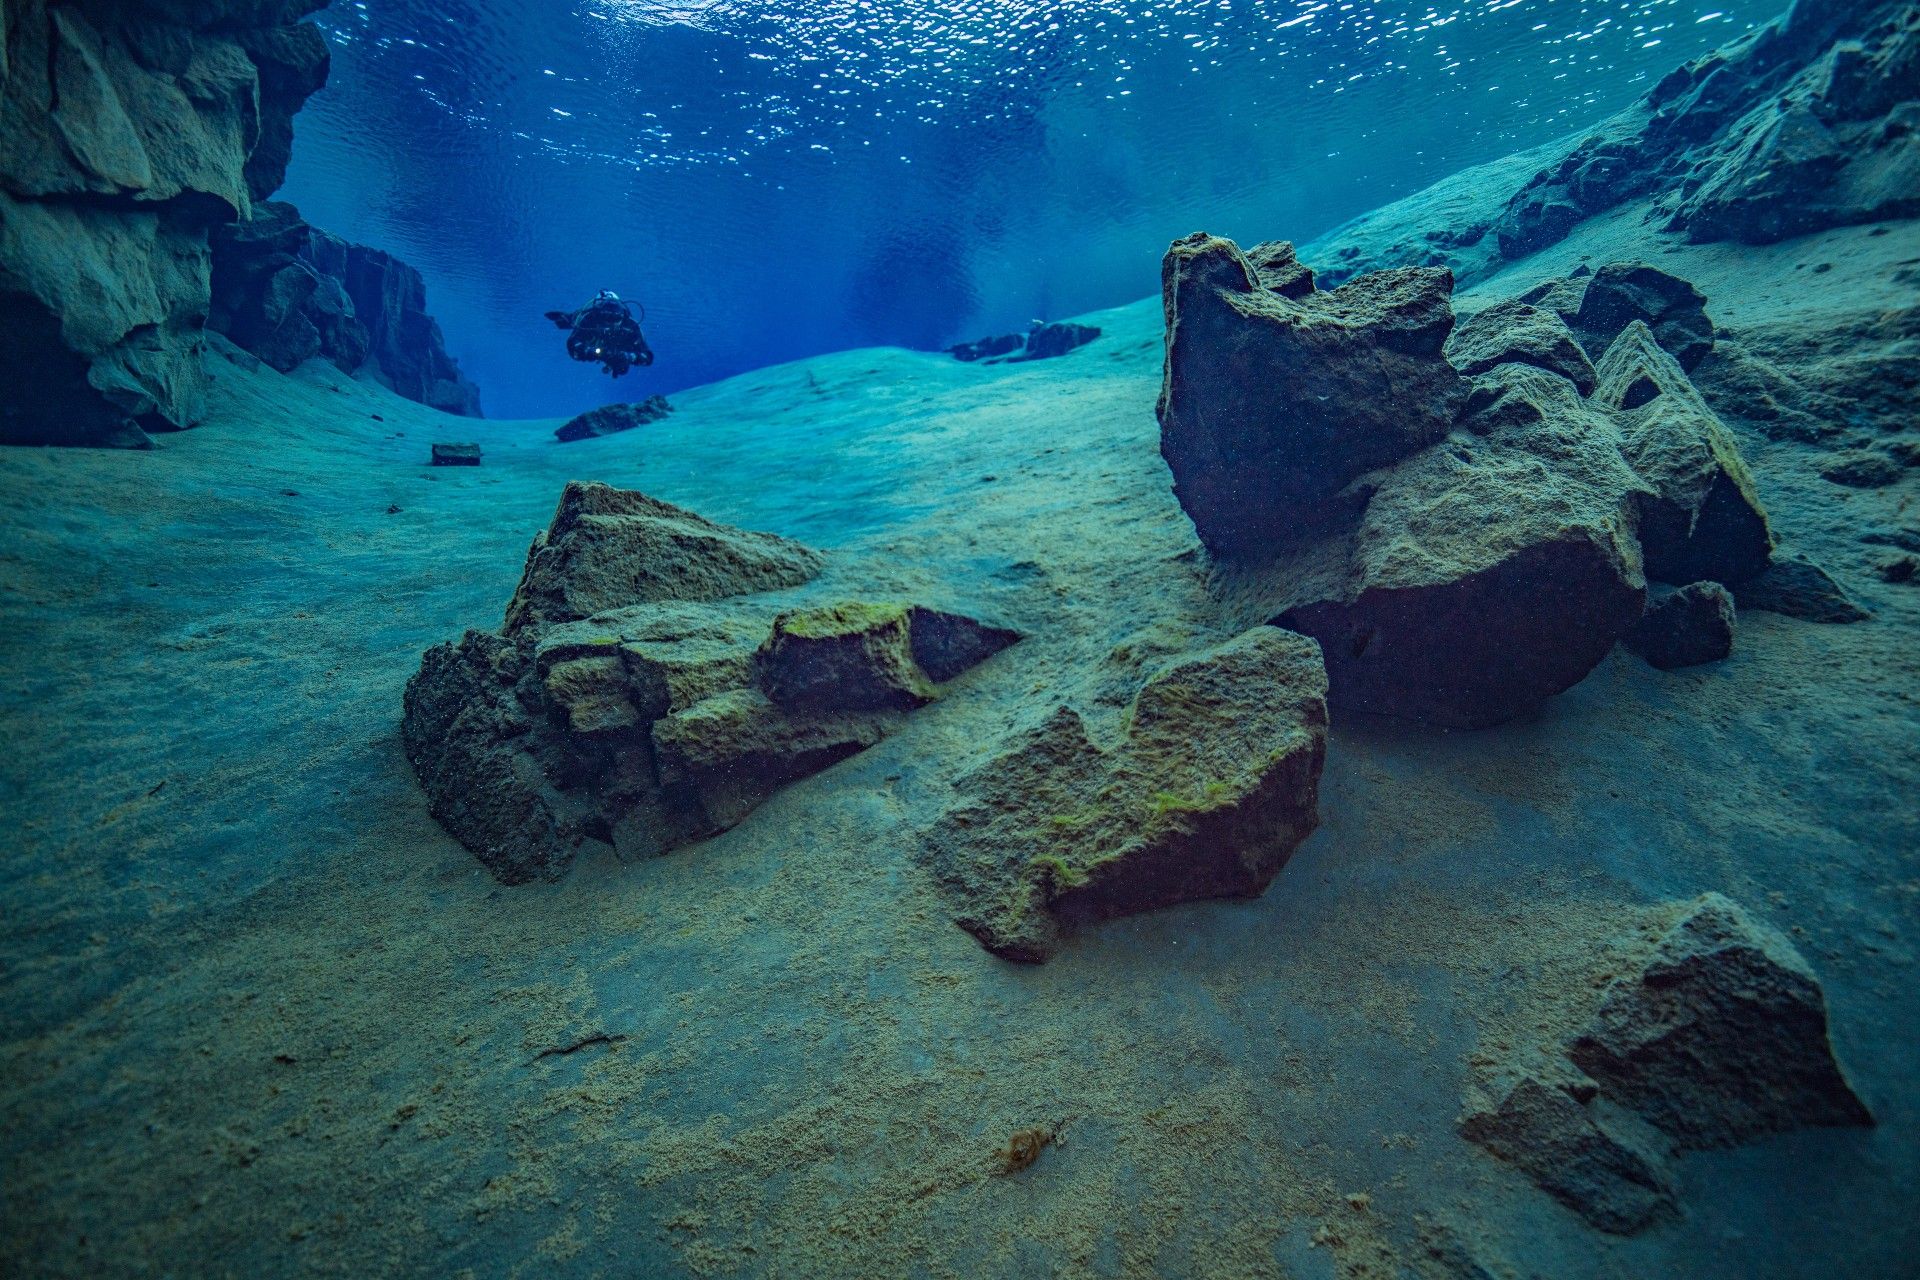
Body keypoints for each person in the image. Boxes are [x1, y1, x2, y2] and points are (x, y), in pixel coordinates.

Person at [544, 290, 654, 377]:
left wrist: (629, 357)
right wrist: (594, 353)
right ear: (599, 316)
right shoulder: (590, 320)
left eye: (615, 318)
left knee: (622, 368)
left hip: (618, 348)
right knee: (573, 320)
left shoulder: (630, 326)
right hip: (592, 335)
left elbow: (647, 357)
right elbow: (573, 346)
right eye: (606, 317)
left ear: (623, 317)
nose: (611, 323)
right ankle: (565, 317)